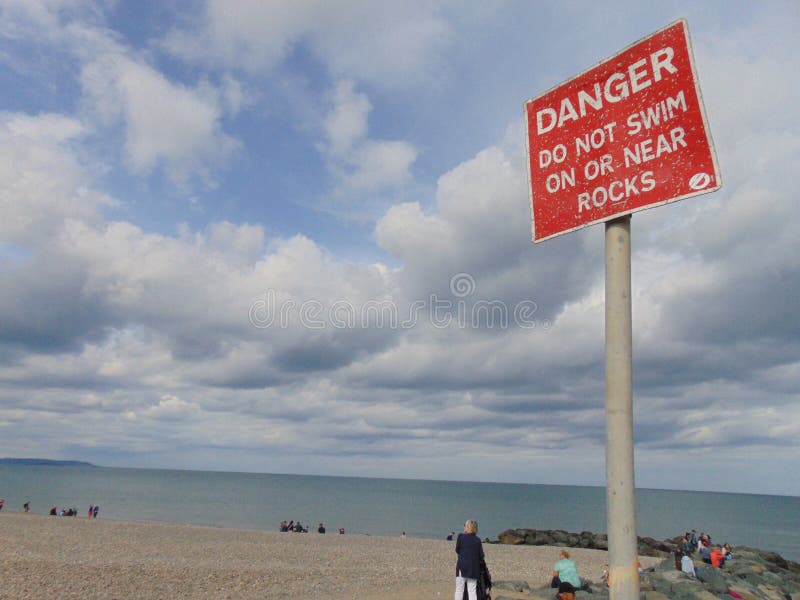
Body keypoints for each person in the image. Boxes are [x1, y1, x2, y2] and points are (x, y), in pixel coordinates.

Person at [454, 519, 486, 600]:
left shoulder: (461, 537)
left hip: (462, 566)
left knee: (459, 589)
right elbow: (481, 555)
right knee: (472, 590)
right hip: (474, 568)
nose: (464, 527)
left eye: (464, 525)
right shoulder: (478, 540)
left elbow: (457, 549)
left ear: (467, 527)